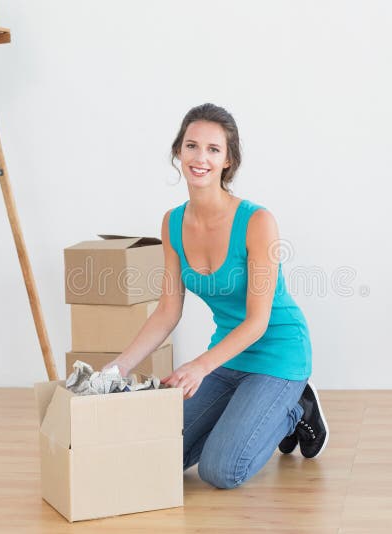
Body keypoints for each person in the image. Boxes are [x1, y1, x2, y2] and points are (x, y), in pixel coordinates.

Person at [105, 103, 328, 488]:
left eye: (213, 149)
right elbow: (167, 311)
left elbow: (258, 321)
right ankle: (241, 417)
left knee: (221, 471)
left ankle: (296, 407)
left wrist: (199, 366)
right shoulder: (172, 222)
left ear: (228, 161)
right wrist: (119, 367)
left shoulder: (257, 221)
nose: (200, 158)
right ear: (178, 152)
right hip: (226, 355)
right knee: (159, 456)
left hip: (277, 352)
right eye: (191, 146)